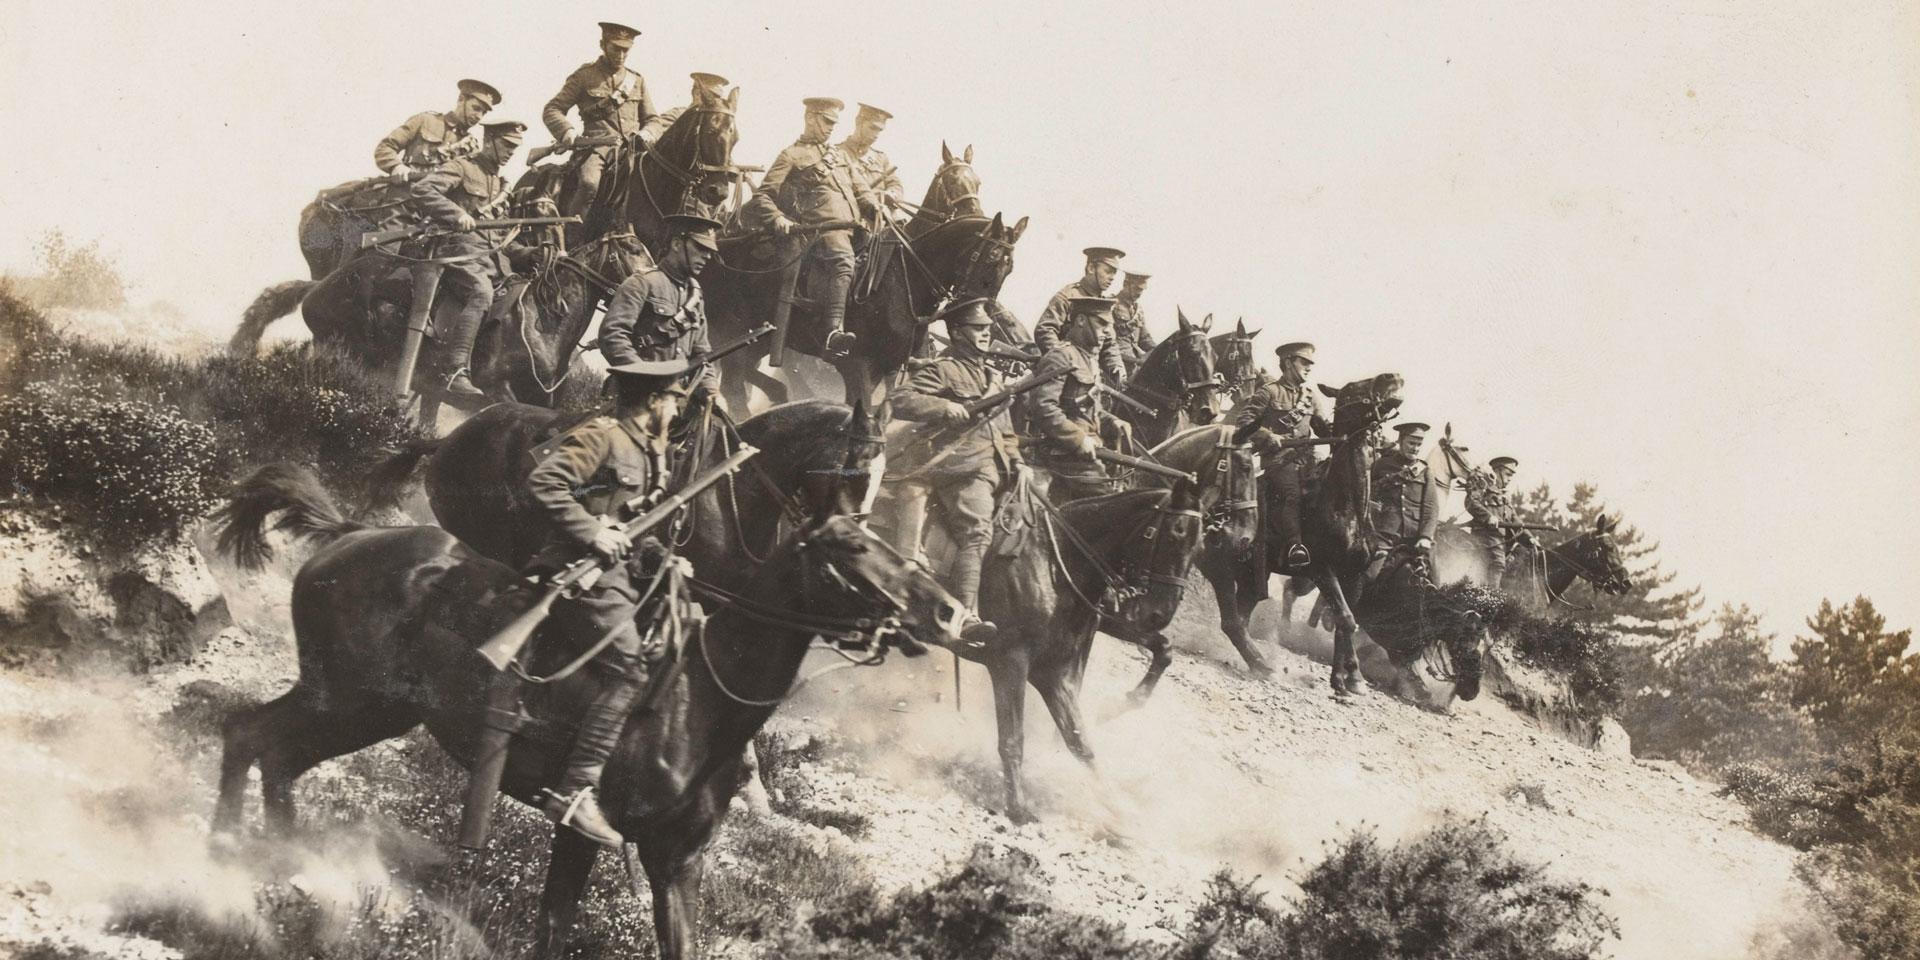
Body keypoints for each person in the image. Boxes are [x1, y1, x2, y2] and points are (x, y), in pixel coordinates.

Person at [526, 356, 691, 847]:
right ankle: (575, 791)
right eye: (674, 399)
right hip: (578, 570)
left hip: (615, 570)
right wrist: (592, 532)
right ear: (654, 400)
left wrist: (665, 559)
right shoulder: (603, 435)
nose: (678, 409)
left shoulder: (650, 450)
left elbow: (633, 523)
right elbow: (544, 483)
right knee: (630, 670)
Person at [889, 299, 1022, 646]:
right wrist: (945, 407)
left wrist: (1017, 459)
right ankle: (965, 617)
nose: (985, 333)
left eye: (988, 329)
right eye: (978, 328)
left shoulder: (992, 377)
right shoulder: (944, 369)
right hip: (959, 465)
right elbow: (901, 399)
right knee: (977, 530)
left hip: (999, 468)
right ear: (957, 332)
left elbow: (1005, 431)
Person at [742, 97, 880, 356]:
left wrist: (874, 205)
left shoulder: (839, 155)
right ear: (810, 118)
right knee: (842, 260)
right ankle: (832, 333)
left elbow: (861, 188)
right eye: (826, 121)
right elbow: (763, 195)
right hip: (818, 232)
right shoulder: (791, 155)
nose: (831, 128)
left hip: (855, 229)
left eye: (834, 123)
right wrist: (777, 218)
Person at [406, 120, 525, 398]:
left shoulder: (501, 183)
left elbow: (500, 234)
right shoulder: (462, 167)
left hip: (491, 258)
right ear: (489, 141)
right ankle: (455, 371)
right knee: (480, 293)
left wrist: (529, 253)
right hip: (457, 251)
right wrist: (456, 214)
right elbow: (423, 190)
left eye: (515, 148)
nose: (510, 152)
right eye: (506, 145)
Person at [599, 213, 724, 405]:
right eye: (700, 248)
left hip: (674, 403)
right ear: (676, 244)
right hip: (633, 399)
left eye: (709, 251)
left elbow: (701, 355)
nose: (707, 256)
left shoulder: (695, 297)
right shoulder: (642, 283)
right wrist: (644, 378)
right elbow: (612, 335)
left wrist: (711, 392)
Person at [543, 21, 657, 216]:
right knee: (589, 184)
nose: (621, 55)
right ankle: (573, 235)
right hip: (596, 149)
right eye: (616, 49)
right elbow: (552, 109)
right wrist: (566, 131)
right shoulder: (584, 76)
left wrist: (647, 132)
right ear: (602, 45)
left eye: (626, 51)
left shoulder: (637, 80)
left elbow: (653, 119)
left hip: (633, 150)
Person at [1235, 341, 1331, 569]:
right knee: (1293, 493)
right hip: (1279, 462)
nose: (1309, 368)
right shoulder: (1269, 392)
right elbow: (1244, 422)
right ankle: (1295, 546)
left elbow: (1324, 429)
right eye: (1304, 362)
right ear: (1288, 362)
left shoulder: (1311, 396)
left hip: (1308, 459)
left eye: (1310, 364)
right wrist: (1267, 435)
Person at [1028, 296, 1131, 503]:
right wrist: (1078, 439)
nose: (1107, 332)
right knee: (1112, 503)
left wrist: (1113, 422)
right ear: (1081, 320)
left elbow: (1090, 410)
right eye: (1101, 323)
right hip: (1063, 454)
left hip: (1088, 451)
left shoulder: (1089, 361)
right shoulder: (1061, 356)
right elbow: (1043, 407)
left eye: (1109, 326)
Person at [373, 79, 500, 179]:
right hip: (408, 196)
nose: (479, 116)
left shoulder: (472, 146)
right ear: (461, 100)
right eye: (476, 108)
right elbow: (385, 147)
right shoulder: (425, 121)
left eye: (483, 113)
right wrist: (396, 166)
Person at [1033, 247, 1127, 382]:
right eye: (1107, 272)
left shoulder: (1104, 304)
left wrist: (1117, 369)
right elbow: (1045, 331)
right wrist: (1063, 361)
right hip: (1061, 374)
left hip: (1089, 375)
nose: (1112, 278)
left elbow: (1109, 343)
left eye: (1114, 274)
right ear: (1090, 268)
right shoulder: (1067, 296)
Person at [1369, 421, 1441, 579]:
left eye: (1418, 444)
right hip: (1385, 534)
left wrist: (1425, 536)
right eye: (1411, 443)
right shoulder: (1381, 465)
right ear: (1401, 441)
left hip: (1415, 536)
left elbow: (1431, 507)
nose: (1415, 448)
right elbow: (1368, 494)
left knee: (1434, 581)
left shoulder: (1426, 471)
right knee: (1369, 575)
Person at [1465, 455, 1527, 586]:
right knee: (1497, 562)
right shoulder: (1483, 485)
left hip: (1500, 540)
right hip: (1485, 537)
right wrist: (1488, 517)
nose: (1510, 479)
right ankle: (1492, 601)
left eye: (1511, 476)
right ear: (1497, 471)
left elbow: (1515, 520)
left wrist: (1530, 539)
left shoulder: (1504, 495)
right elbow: (1471, 502)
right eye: (1508, 474)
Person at [838, 103, 904, 210]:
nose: (876, 135)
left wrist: (891, 194)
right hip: (850, 217)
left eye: (879, 130)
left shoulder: (881, 158)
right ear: (858, 122)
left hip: (881, 218)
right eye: (873, 128)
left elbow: (895, 185)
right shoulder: (838, 153)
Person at [636, 72, 731, 143]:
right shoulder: (678, 115)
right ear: (697, 94)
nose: (716, 104)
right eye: (710, 98)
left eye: (718, 99)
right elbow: (656, 128)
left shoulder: (715, 125)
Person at [1109, 270, 1156, 378]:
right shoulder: (1110, 305)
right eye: (1136, 289)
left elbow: (1144, 338)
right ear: (1126, 284)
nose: (1139, 293)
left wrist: (1158, 350)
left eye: (1142, 290)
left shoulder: (1138, 310)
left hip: (1134, 365)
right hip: (1115, 365)